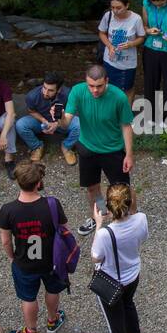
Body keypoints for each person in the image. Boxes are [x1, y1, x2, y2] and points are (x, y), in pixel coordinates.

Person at [0, 160, 69, 333]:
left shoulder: (8, 210)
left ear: (18, 181)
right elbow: (63, 230)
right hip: (51, 261)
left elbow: (5, 240)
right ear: (39, 183)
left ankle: (31, 332)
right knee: (52, 289)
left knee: (28, 297)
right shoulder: (52, 204)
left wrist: (12, 256)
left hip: (25, 263)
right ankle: (52, 320)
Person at [58, 65, 134, 236]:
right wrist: (60, 118)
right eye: (91, 86)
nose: (94, 90)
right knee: (92, 188)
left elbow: (126, 126)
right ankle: (99, 215)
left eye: (99, 86)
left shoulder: (118, 97)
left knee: (123, 188)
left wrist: (129, 154)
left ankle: (131, 219)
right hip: (87, 148)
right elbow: (66, 123)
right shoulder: (78, 91)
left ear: (106, 81)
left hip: (113, 149)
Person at [91, 182, 149, 333]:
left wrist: (99, 224)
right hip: (133, 274)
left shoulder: (105, 234)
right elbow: (143, 237)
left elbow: (96, 257)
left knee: (114, 318)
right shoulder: (141, 219)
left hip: (112, 281)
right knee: (129, 304)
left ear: (107, 206)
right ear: (130, 202)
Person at [16, 72, 80, 165]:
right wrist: (44, 120)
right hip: (42, 122)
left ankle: (66, 147)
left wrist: (57, 123)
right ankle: (37, 146)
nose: (45, 93)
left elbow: (70, 113)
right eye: (44, 88)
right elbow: (31, 111)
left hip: (62, 121)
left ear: (59, 89)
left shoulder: (68, 94)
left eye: (50, 90)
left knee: (80, 125)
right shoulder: (32, 96)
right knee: (20, 124)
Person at [98, 0, 146, 106]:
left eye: (119, 8)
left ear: (127, 5)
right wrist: (109, 46)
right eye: (113, 7)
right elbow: (102, 33)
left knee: (127, 88)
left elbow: (142, 37)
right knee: (108, 88)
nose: (115, 10)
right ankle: (111, 113)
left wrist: (131, 44)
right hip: (110, 60)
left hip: (127, 62)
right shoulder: (108, 16)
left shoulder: (136, 19)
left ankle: (126, 115)